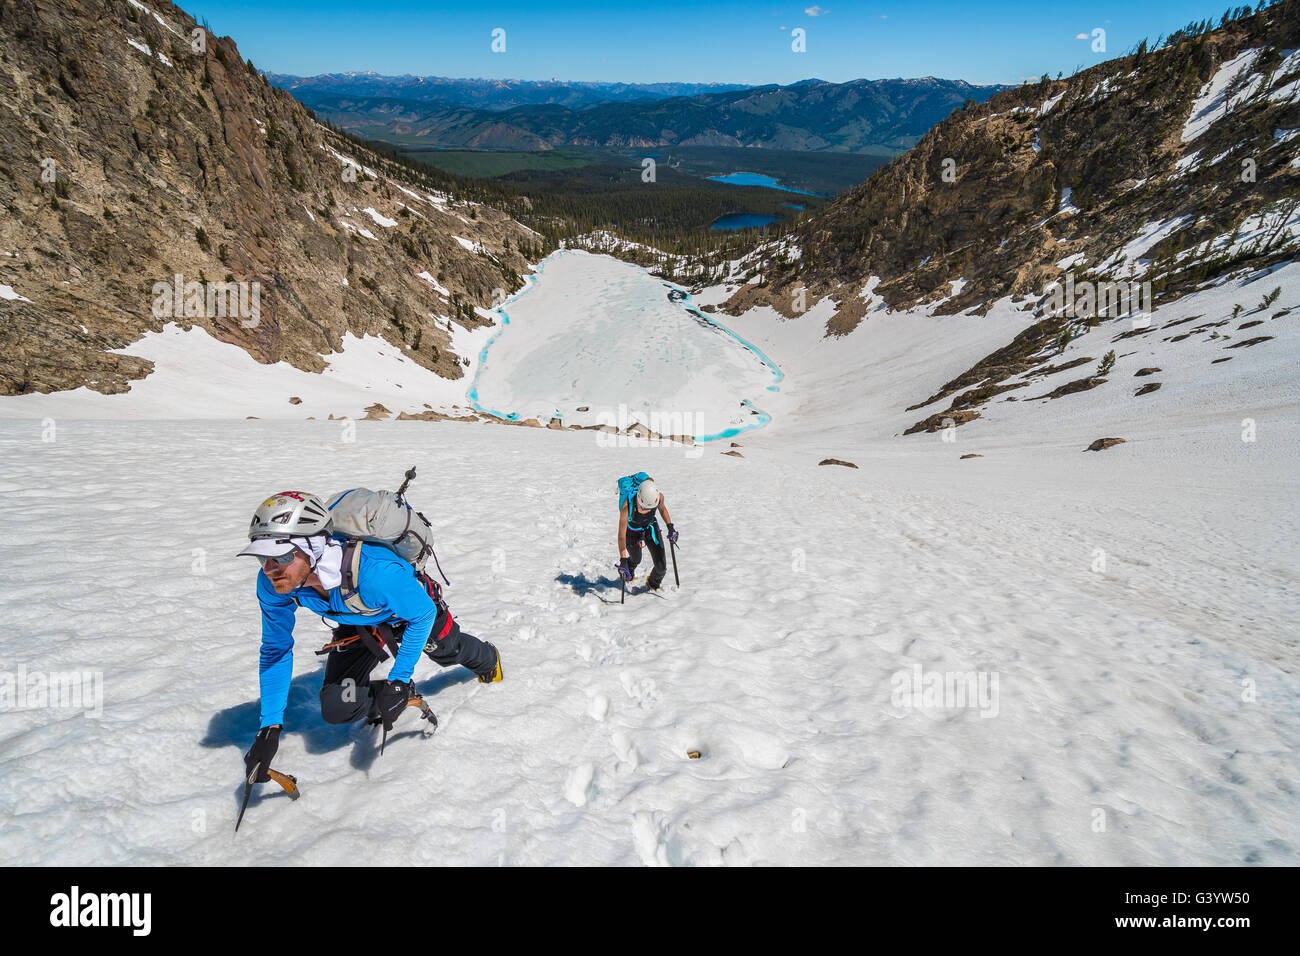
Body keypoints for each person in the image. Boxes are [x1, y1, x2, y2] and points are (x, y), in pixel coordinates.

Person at [237, 491, 502, 779]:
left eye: (281, 556)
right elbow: (276, 649)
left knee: (448, 651)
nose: (269, 569)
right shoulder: (274, 583)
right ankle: (389, 695)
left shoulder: (375, 573)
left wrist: (398, 680)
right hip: (357, 624)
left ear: (313, 548)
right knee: (340, 707)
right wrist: (270, 727)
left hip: (406, 612)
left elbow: (423, 614)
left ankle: (488, 659)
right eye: (262, 557)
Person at [616, 476, 678, 591]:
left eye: (651, 508)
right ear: (638, 498)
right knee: (636, 559)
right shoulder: (627, 507)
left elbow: (662, 509)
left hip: (650, 528)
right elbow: (621, 536)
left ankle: (653, 584)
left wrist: (670, 527)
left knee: (661, 568)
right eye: (644, 507)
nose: (648, 511)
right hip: (632, 532)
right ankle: (628, 569)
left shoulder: (658, 497)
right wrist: (623, 560)